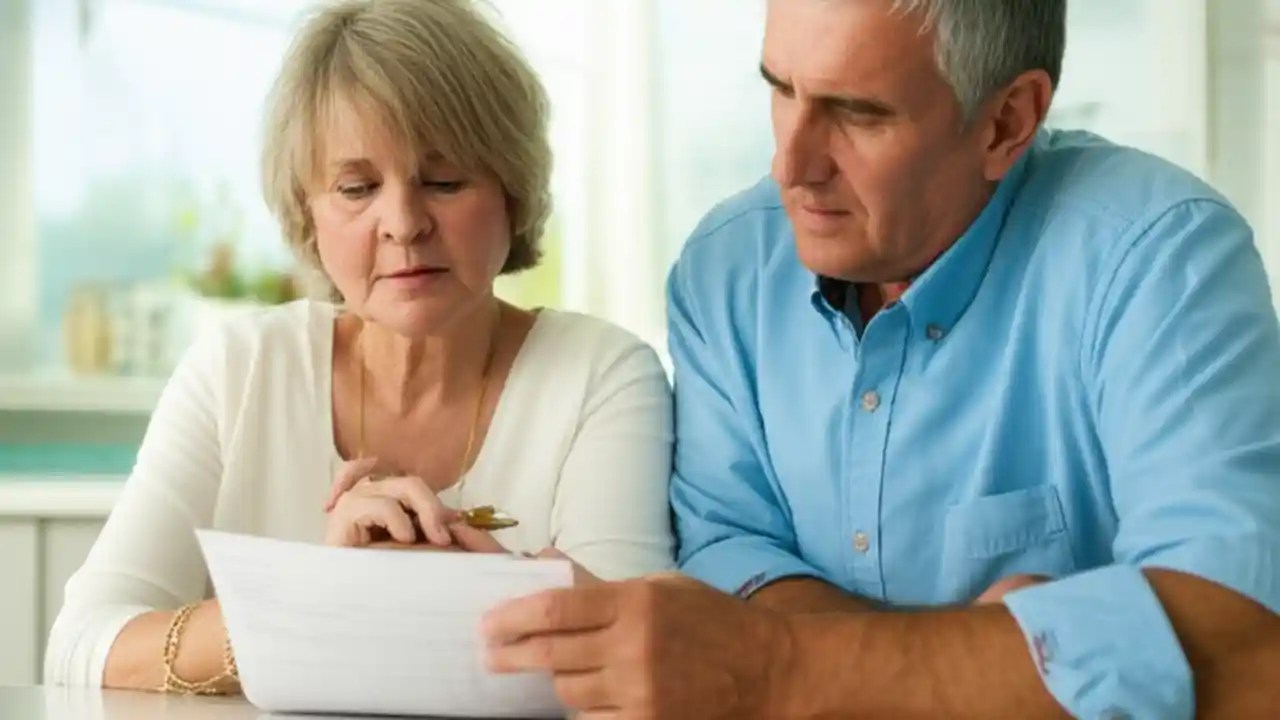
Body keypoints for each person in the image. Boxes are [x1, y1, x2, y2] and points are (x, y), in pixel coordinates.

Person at [481, 1, 1280, 717]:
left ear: (1006, 121)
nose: (791, 167)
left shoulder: (1160, 258)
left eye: (857, 114)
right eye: (781, 90)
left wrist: (778, 668)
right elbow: (728, 548)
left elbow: (1245, 648)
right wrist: (1001, 664)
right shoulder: (727, 268)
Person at [45, 0, 674, 694]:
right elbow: (80, 646)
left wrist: (388, 606)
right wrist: (318, 597)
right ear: (307, 213)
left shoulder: (605, 375)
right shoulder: (239, 367)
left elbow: (641, 662)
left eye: (444, 180)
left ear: (513, 192)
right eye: (356, 187)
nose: (403, 224)